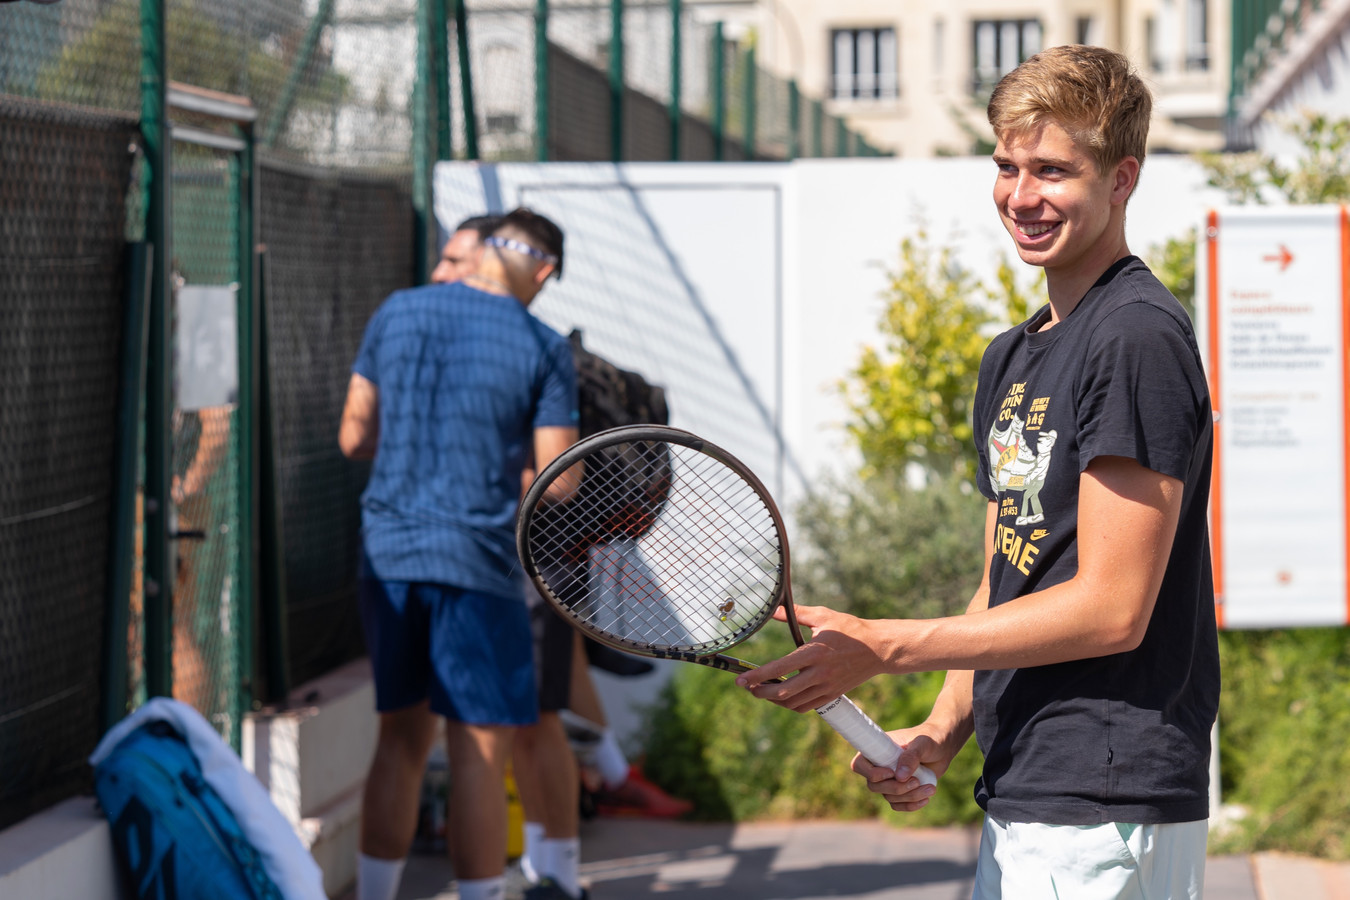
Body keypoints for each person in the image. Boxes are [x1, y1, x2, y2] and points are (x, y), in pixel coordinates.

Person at [737, 44, 1219, 900]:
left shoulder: (1136, 337)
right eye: (1007, 165)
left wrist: (884, 646)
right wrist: (941, 728)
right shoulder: (1013, 356)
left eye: (1053, 170)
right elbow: (1007, 576)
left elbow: (1113, 608)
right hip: (1025, 784)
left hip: (1105, 798)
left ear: (1122, 180)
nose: (1021, 196)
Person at [339, 207, 580, 900]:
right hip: (477, 564)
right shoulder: (541, 346)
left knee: (400, 740)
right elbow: (561, 482)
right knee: (479, 748)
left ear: (480, 254)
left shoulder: (398, 312)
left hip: (388, 553)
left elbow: (354, 437)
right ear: (543, 269)